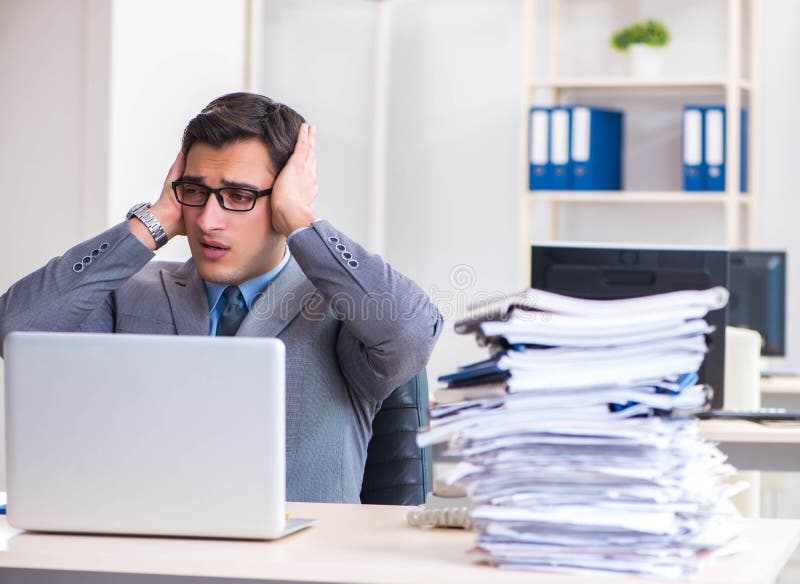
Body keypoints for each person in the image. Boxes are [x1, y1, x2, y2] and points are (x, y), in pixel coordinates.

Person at [0, 92, 442, 503]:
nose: (208, 220)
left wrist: (303, 223)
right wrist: (154, 222)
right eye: (195, 192)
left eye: (238, 196)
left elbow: (410, 333)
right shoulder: (128, 294)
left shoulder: (341, 309)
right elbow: (14, 330)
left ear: (283, 198)